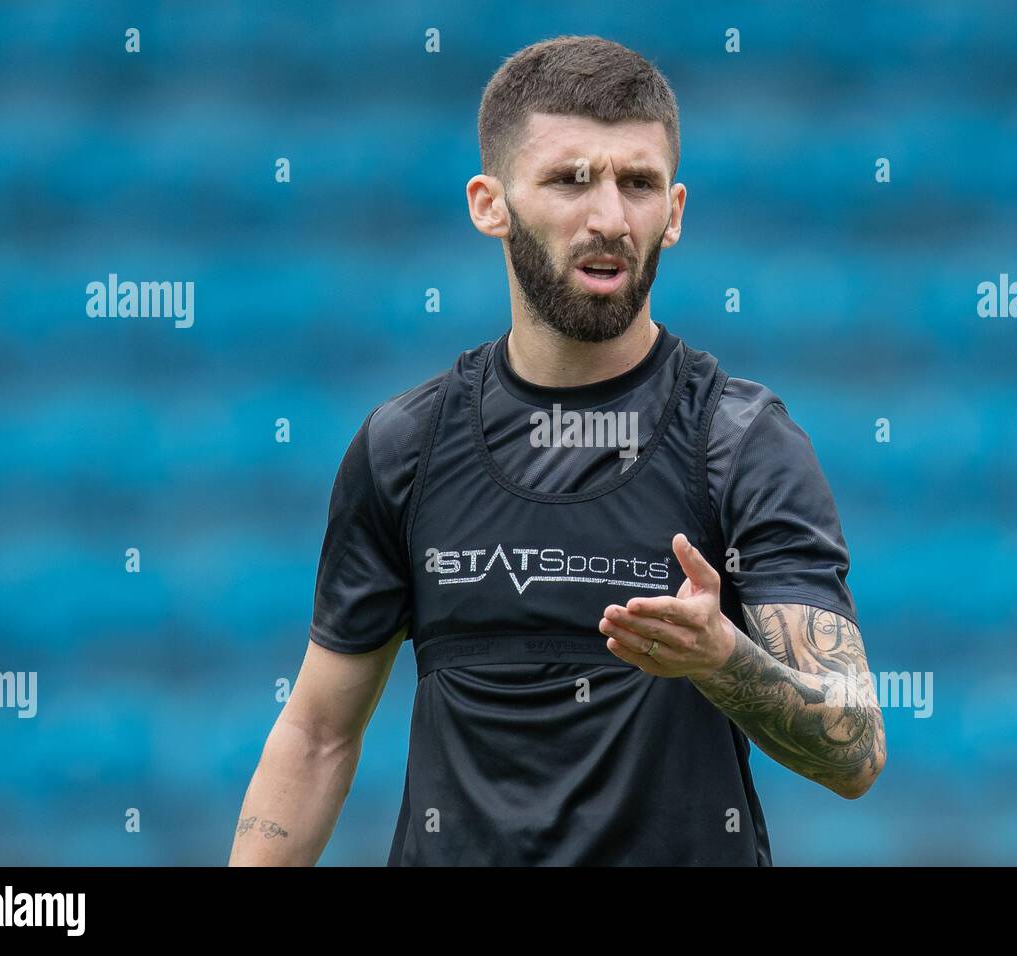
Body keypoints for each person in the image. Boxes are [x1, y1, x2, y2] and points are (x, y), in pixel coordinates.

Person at [229, 34, 885, 867]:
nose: (609, 217)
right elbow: (319, 734)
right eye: (571, 180)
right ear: (489, 203)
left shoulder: (743, 442)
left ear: (674, 213)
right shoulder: (406, 447)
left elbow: (856, 750)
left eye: (638, 183)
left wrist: (722, 657)